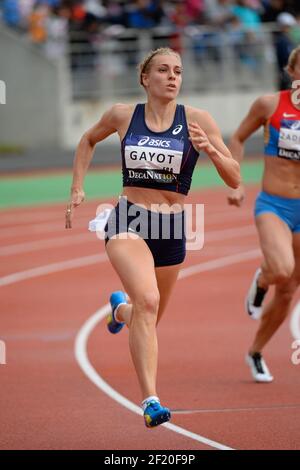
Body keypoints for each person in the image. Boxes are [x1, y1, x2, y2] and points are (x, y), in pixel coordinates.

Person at [66, 47, 240, 427]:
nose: (172, 77)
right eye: (163, 70)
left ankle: (118, 311)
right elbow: (87, 140)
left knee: (148, 316)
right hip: (129, 219)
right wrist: (78, 188)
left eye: (177, 71)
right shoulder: (123, 115)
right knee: (148, 300)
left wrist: (211, 150)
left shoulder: (197, 120)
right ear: (146, 78)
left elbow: (236, 176)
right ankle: (150, 401)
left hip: (172, 227)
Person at [228, 45, 300, 384]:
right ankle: (262, 279)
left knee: (287, 292)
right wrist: (235, 182)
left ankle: (255, 352)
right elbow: (238, 137)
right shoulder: (269, 104)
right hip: (274, 204)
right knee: (281, 269)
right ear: (292, 70)